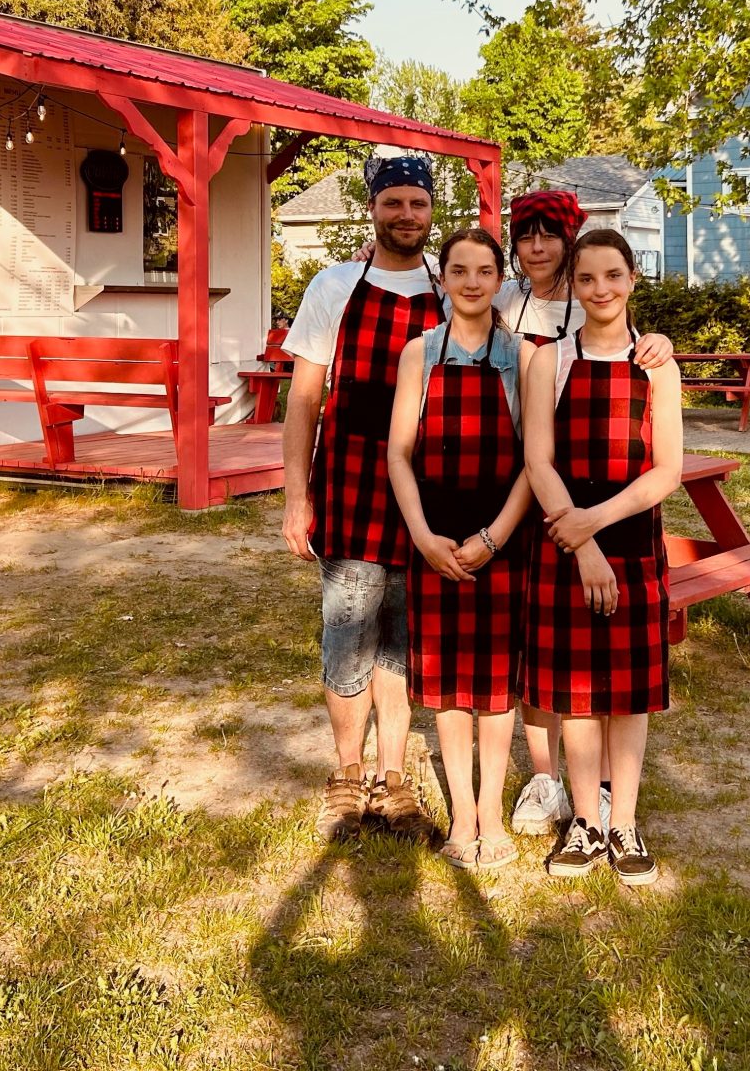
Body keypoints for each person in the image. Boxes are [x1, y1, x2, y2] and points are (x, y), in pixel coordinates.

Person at [497, 189, 675, 839]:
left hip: (614, 529)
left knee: (624, 687)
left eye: (614, 276)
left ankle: (615, 813)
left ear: (630, 280)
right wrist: (579, 539)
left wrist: (593, 527)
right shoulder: (531, 335)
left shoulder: (653, 362)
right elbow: (539, 460)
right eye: (588, 277)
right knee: (556, 676)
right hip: (543, 517)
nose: (601, 288)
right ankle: (567, 802)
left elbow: (667, 468)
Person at [282, 153, 446, 841]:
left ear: (433, 211)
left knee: (401, 645)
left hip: (432, 490)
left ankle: (393, 775)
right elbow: (304, 399)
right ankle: (347, 774)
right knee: (349, 635)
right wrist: (296, 494)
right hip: (349, 481)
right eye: (394, 203)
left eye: (417, 204)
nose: (405, 215)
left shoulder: (455, 282)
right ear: (373, 209)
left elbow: (551, 307)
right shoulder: (335, 284)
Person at [387, 227, 535, 870]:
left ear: (500, 279)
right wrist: (422, 537)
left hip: (503, 533)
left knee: (497, 686)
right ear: (442, 278)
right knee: (449, 686)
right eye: (458, 270)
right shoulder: (418, 353)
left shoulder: (526, 356)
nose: (472, 281)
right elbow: (398, 454)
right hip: (435, 537)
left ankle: (494, 817)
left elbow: (538, 460)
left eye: (484, 270)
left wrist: (495, 537)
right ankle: (462, 817)